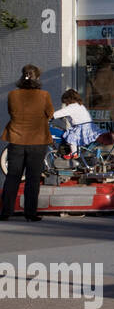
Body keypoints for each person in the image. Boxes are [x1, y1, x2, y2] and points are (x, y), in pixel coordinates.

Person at [1, 64, 55, 222]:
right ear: (37, 78)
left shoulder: (12, 94)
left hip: (17, 139)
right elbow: (50, 114)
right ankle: (30, 213)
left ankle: (6, 212)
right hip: (37, 140)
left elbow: (12, 112)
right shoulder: (44, 95)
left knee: (13, 176)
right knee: (33, 177)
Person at [52, 89, 105, 158]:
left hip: (81, 127)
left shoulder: (71, 107)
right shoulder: (80, 106)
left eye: (65, 102)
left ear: (68, 100)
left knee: (71, 138)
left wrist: (50, 116)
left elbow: (59, 113)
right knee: (73, 137)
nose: (65, 104)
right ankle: (76, 153)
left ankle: (74, 154)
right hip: (88, 126)